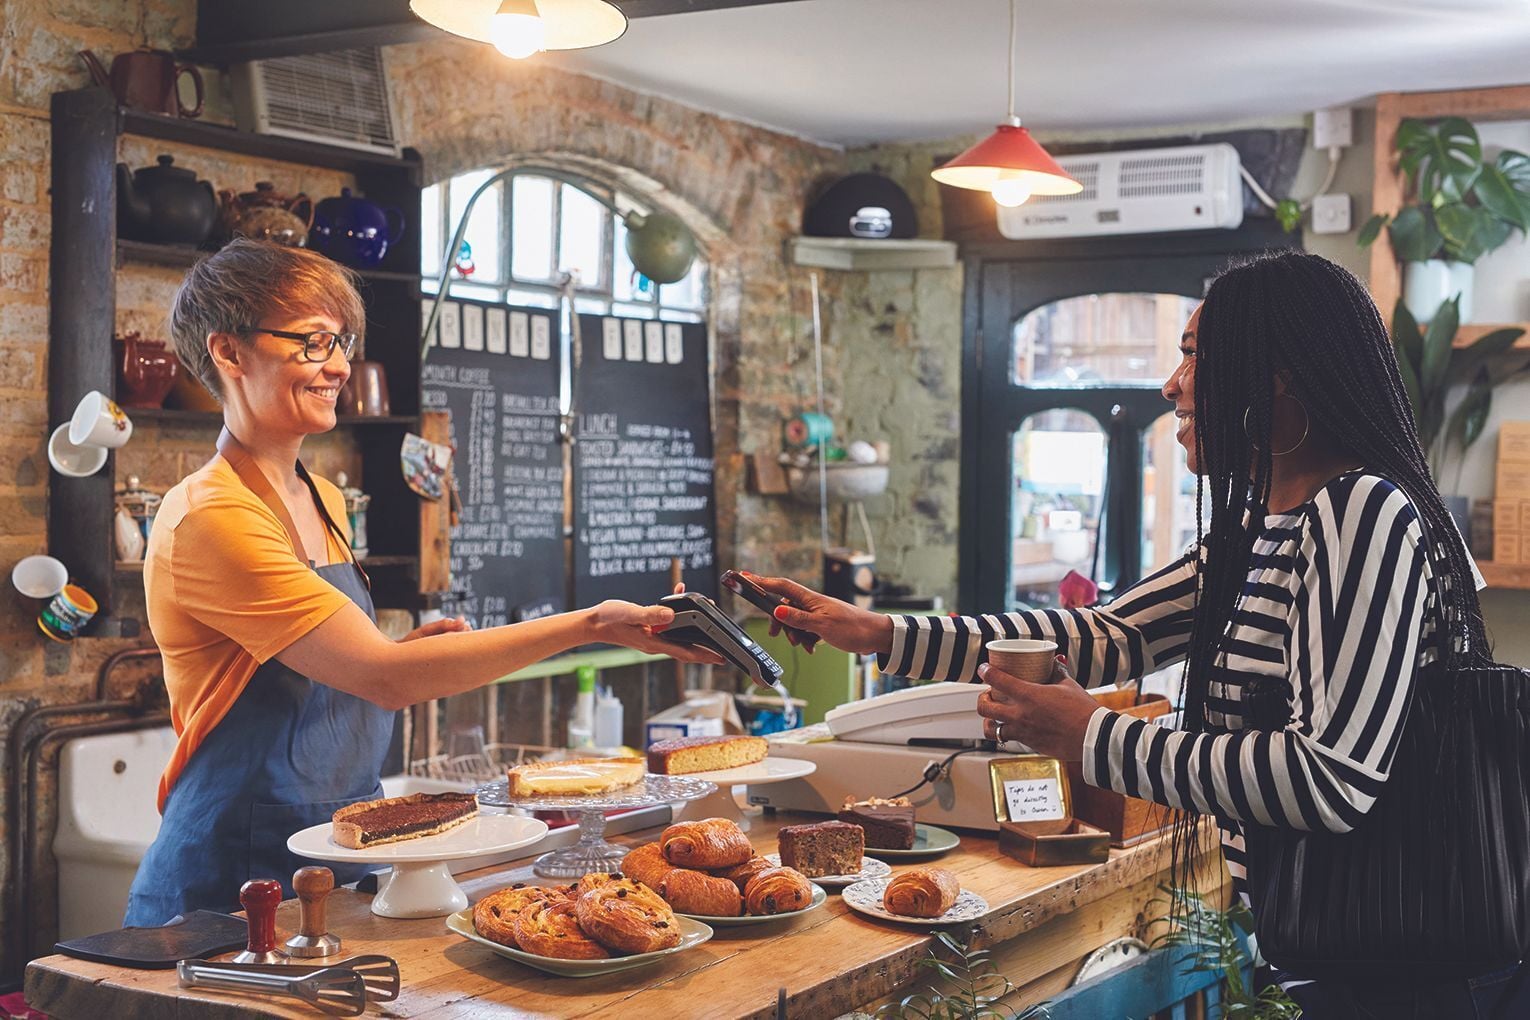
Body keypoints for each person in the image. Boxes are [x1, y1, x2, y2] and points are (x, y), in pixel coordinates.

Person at [749, 251, 1524, 1017]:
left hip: (1421, 981)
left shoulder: (1364, 513)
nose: (1170, 386)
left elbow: (1330, 776)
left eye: (1193, 358)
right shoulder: (1262, 531)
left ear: (1278, 375)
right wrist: (879, 633)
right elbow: (1106, 634)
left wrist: (1095, 738)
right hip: (1342, 961)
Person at [125, 240, 719, 926]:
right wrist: (589, 625)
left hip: (346, 852)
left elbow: (350, 669)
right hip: (229, 886)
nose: (340, 366)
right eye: (314, 342)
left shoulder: (320, 496)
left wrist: (405, 652)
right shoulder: (213, 515)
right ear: (228, 353)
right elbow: (383, 678)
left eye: (341, 342)